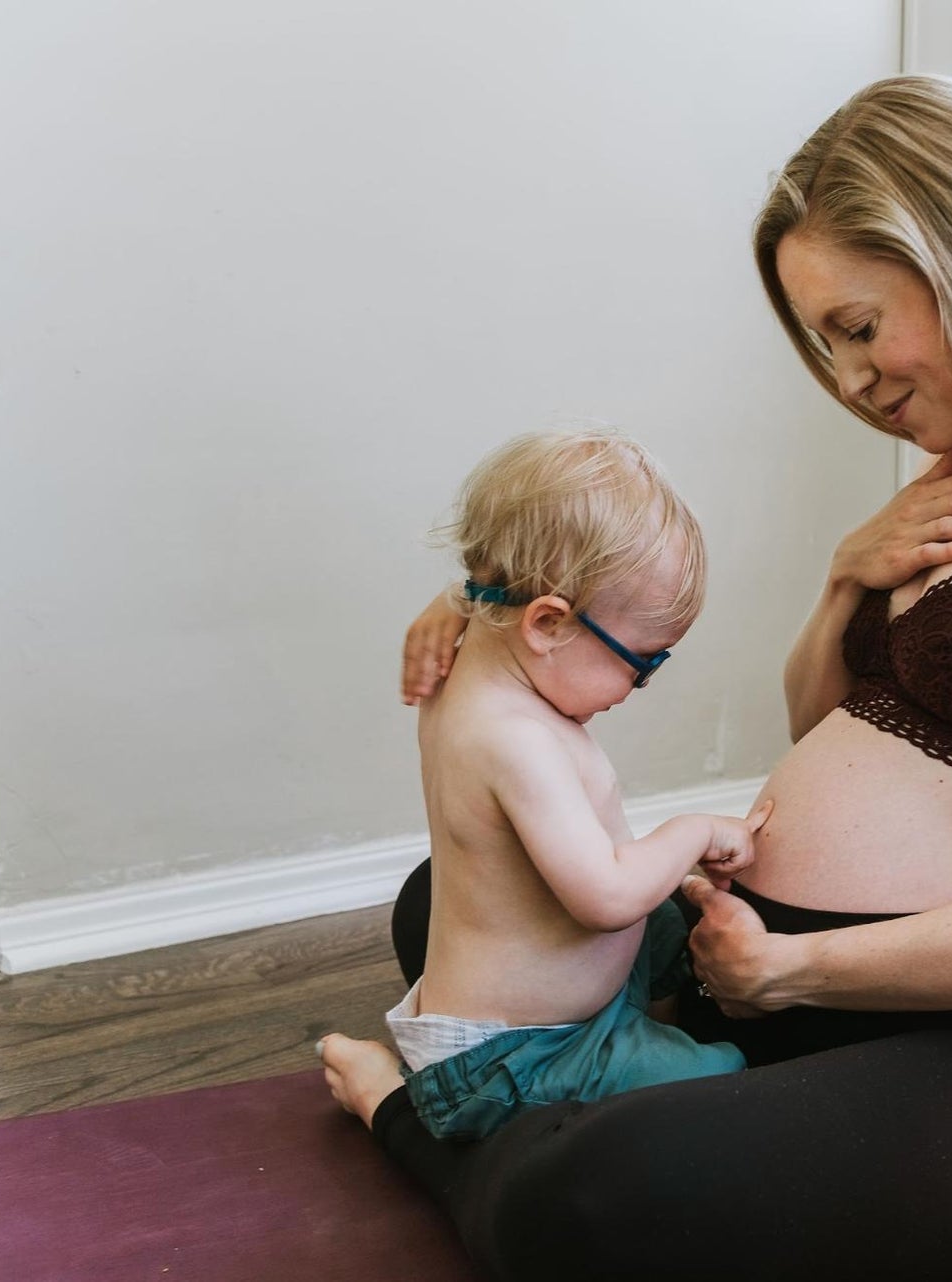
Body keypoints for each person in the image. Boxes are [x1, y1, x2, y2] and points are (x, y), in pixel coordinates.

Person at [321, 73, 952, 1280]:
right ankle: (653, 1103)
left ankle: (419, 1125)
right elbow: (829, 725)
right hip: (779, 981)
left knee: (582, 1202)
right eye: (828, 348)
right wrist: (842, 581)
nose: (853, 385)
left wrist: (793, 968)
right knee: (438, 899)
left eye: (861, 329)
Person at [317, 430, 765, 1142]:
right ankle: (401, 1110)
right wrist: (697, 830)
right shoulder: (513, 738)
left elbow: (486, 593)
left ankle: (656, 1029)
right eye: (642, 662)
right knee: (723, 1090)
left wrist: (453, 600)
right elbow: (608, 899)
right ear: (548, 623)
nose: (641, 685)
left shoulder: (471, 665)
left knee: (673, 923)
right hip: (521, 1059)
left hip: (572, 1012)